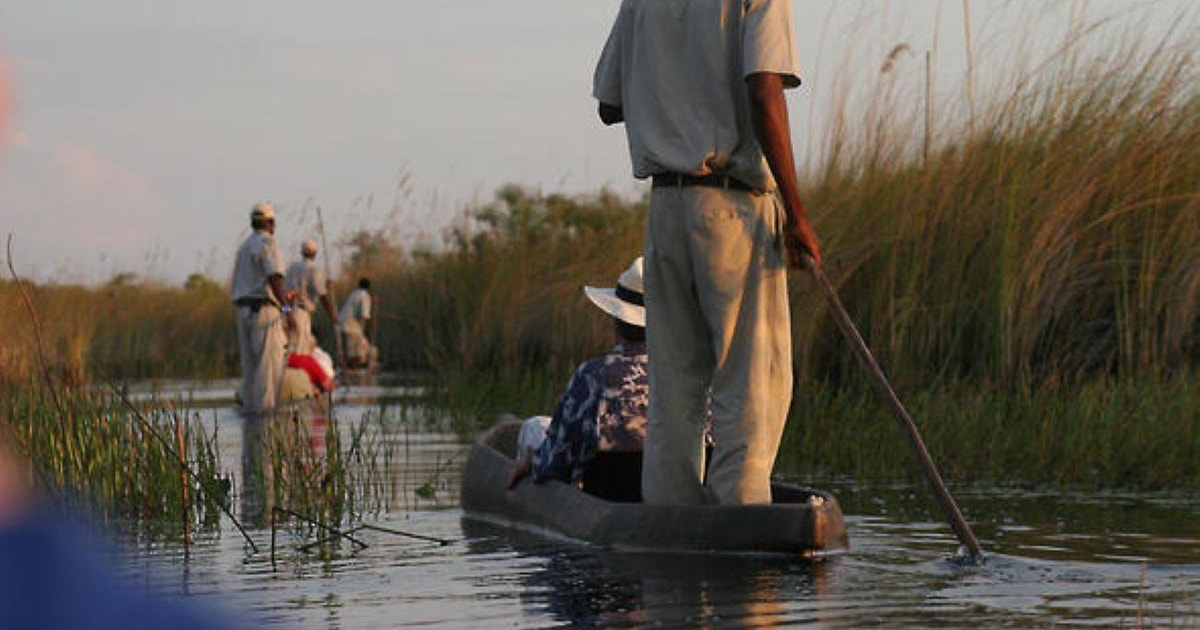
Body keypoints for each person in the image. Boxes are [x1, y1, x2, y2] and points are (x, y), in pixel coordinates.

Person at [593, 0, 822, 506]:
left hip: (665, 209)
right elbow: (765, 90)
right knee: (751, 382)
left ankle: (672, 523)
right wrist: (798, 215)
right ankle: (738, 524)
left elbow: (609, 105)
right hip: (731, 207)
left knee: (673, 385)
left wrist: (669, 88)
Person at [507, 257, 649, 502]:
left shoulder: (592, 376)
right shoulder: (688, 377)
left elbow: (556, 461)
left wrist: (533, 462)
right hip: (668, 493)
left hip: (607, 496)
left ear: (616, 322)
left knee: (533, 427)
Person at [230, 202, 289, 413]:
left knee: (250, 369)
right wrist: (287, 308)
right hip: (263, 313)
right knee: (268, 368)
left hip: (243, 312)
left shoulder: (244, 246)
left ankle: (250, 414)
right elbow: (274, 277)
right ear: (271, 223)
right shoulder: (268, 243)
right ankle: (265, 421)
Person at [283, 239, 338, 355]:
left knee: (289, 348)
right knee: (300, 349)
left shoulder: (291, 268)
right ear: (315, 253)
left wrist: (287, 314)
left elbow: (286, 295)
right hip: (301, 314)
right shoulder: (314, 269)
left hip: (286, 311)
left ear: (302, 252)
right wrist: (333, 316)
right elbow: (322, 296)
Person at [338, 277, 375, 369]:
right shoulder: (365, 296)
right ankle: (355, 371)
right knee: (358, 352)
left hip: (343, 324)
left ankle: (347, 369)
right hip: (351, 326)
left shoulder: (354, 294)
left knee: (348, 351)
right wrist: (371, 325)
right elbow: (364, 315)